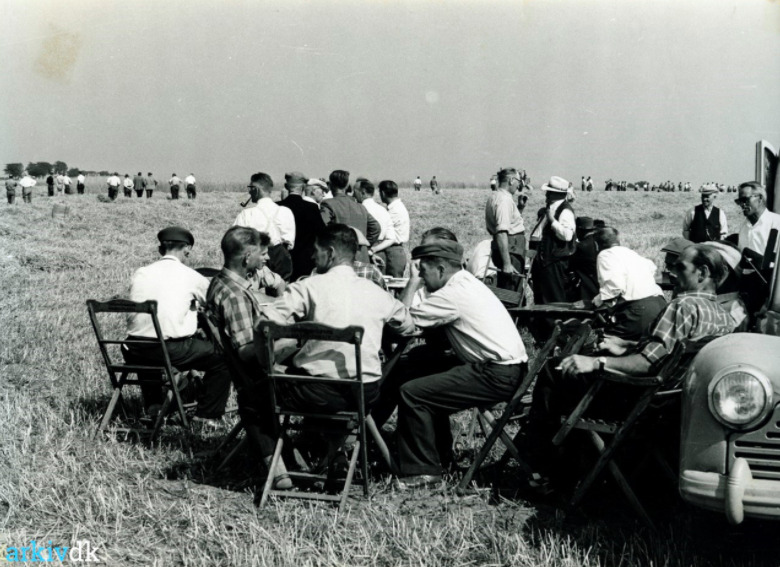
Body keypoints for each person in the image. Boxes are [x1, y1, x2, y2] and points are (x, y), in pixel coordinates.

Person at [529, 245, 736, 480]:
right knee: (570, 382)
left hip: (641, 405)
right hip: (672, 403)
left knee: (556, 369)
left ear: (702, 273)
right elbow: (670, 351)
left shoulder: (682, 307)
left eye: (680, 267)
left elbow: (647, 364)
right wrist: (626, 345)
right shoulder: (723, 316)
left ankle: (541, 467)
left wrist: (597, 362)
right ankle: (577, 465)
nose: (672, 273)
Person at [262, 224, 415, 483]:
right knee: (331, 378)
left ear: (330, 253)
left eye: (316, 251)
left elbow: (266, 324)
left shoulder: (308, 287)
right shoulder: (376, 292)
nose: (312, 257)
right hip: (364, 392)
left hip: (314, 393)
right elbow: (408, 326)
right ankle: (337, 455)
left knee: (263, 386)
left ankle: (286, 462)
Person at [389, 239, 528, 488]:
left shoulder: (452, 294)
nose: (422, 277)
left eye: (424, 272)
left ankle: (422, 473)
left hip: (496, 374)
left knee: (413, 392)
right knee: (414, 369)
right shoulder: (466, 283)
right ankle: (440, 458)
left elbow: (401, 322)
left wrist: (411, 284)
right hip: (503, 369)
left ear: (441, 269)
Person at [206, 226, 292, 489]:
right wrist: (288, 341)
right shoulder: (236, 297)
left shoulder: (220, 284)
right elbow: (246, 351)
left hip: (248, 381)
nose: (265, 259)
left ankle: (283, 456)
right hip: (260, 379)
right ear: (246, 258)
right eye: (260, 254)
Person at [123, 226, 232, 422]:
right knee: (224, 360)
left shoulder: (141, 272)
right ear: (187, 249)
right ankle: (207, 414)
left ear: (160, 250)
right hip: (167, 349)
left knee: (151, 343)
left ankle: (154, 405)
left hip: (133, 348)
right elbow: (215, 303)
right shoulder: (190, 275)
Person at [591, 228, 667, 340]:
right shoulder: (631, 253)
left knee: (607, 344)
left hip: (639, 311)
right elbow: (652, 269)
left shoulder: (605, 254)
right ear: (618, 240)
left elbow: (614, 287)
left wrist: (598, 303)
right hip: (659, 305)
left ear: (597, 244)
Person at [233, 172, 295, 281]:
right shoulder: (286, 211)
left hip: (256, 259)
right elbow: (290, 243)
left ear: (256, 190)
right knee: (281, 294)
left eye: (250, 188)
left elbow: (234, 240)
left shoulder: (247, 214)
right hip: (282, 259)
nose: (249, 191)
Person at [530, 176, 576, 305]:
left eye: (549, 192)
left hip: (553, 262)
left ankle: (554, 324)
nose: (547, 194)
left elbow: (567, 235)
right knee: (542, 296)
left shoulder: (565, 211)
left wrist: (552, 221)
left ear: (557, 193)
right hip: (545, 261)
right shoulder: (550, 209)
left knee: (553, 298)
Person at [735, 181, 780, 314]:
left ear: (760, 198)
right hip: (748, 289)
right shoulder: (744, 227)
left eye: (745, 199)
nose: (742, 204)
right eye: (739, 201)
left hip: (772, 289)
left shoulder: (776, 223)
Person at [320, 170, 381, 262]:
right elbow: (376, 228)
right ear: (347, 186)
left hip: (340, 257)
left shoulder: (328, 204)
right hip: (361, 256)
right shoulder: (360, 207)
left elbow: (322, 227)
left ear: (331, 185)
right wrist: (364, 243)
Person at [278, 171, 325, 281]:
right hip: (305, 264)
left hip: (280, 264)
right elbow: (322, 233)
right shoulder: (312, 208)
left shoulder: (277, 207)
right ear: (304, 188)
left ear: (286, 186)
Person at [485, 168, 526, 290]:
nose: (519, 184)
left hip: (506, 250)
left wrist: (520, 208)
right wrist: (507, 264)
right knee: (511, 292)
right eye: (518, 181)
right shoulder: (504, 200)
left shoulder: (495, 196)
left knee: (506, 289)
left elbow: (507, 224)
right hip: (511, 252)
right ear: (511, 180)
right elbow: (502, 232)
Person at [356, 178, 396, 275]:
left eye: (355, 191)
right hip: (380, 251)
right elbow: (391, 238)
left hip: (363, 251)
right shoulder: (383, 210)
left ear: (363, 192)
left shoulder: (358, 209)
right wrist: (376, 249)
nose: (353, 194)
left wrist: (369, 250)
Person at [379, 180, 411, 278]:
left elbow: (383, 229)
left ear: (383, 193)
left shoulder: (395, 210)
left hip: (393, 251)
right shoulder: (397, 207)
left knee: (393, 284)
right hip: (395, 250)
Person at [567, 217, 599, 302]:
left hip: (587, 287)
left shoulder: (581, 247)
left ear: (579, 230)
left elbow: (570, 265)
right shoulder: (599, 242)